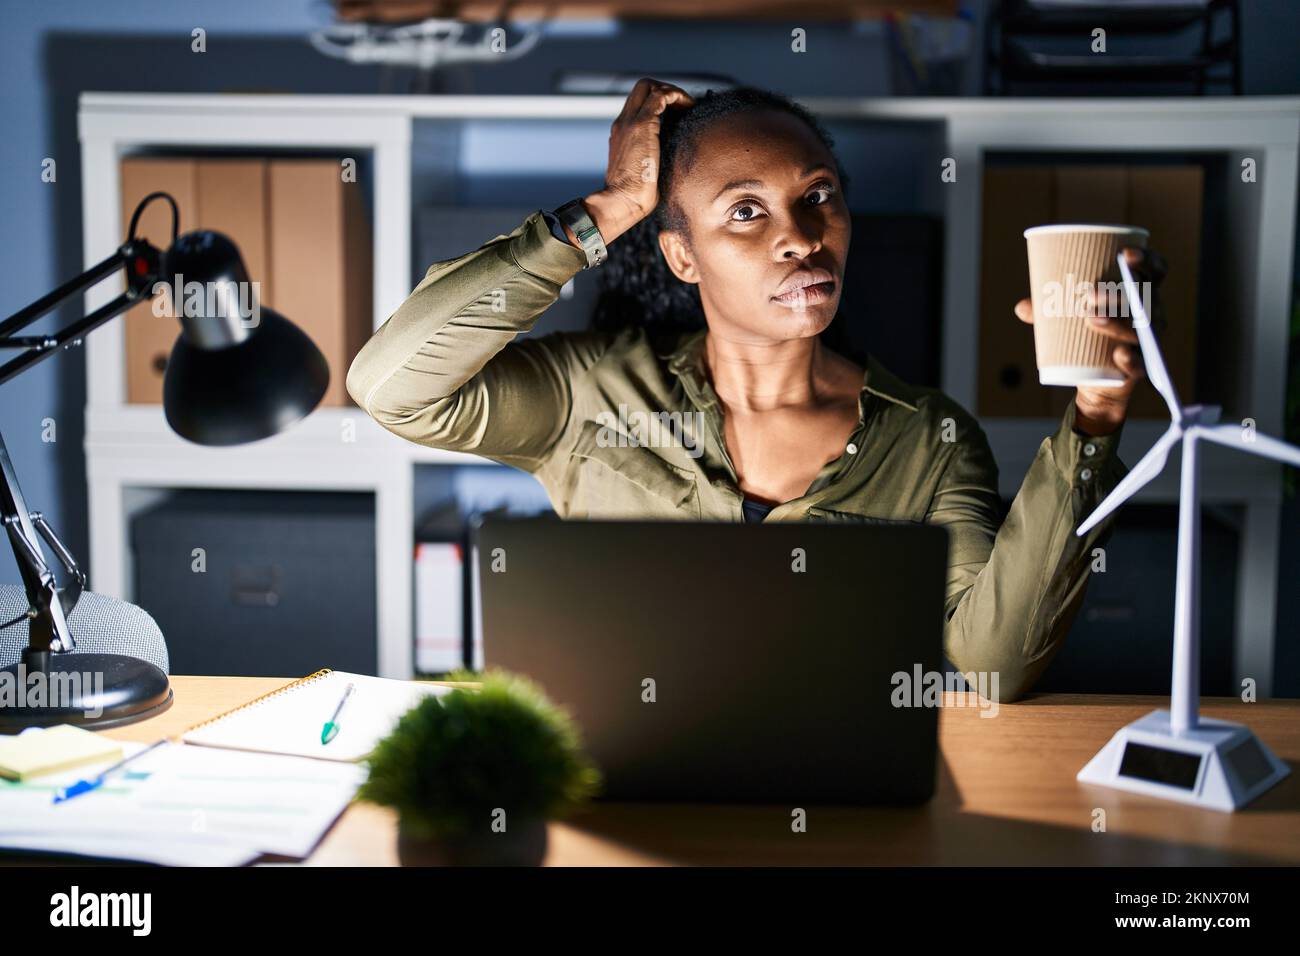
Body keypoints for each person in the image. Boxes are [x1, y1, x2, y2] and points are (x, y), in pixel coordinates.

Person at [347, 78, 1167, 700]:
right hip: (630, 797)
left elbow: (994, 662)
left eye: (817, 198)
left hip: (840, 810)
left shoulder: (926, 437)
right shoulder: (587, 394)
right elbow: (393, 386)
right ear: (681, 255)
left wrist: (1095, 417)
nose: (801, 239)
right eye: (745, 212)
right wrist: (609, 210)